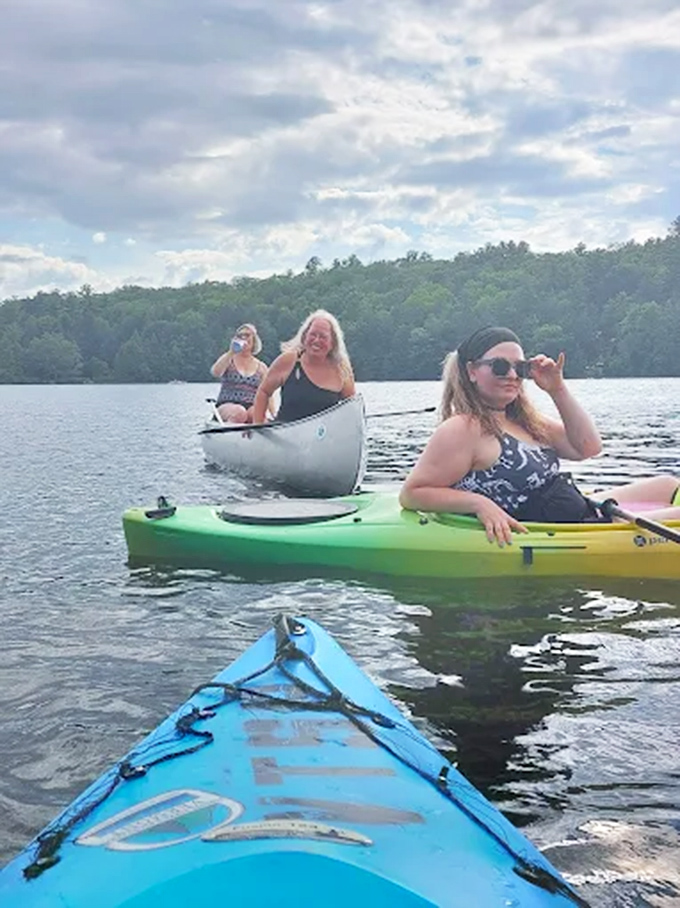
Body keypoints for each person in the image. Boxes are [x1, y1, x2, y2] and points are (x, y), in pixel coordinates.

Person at [400, 326, 680, 546]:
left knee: (667, 485)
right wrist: (479, 503)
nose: (513, 375)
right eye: (500, 366)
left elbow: (588, 448)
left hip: (575, 510)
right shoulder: (463, 428)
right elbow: (412, 493)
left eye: (520, 368)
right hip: (563, 528)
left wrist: (557, 389)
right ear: (472, 371)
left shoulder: (524, 422)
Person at [251, 309, 356, 424]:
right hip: (285, 430)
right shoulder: (289, 361)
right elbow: (264, 392)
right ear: (304, 337)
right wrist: (258, 426)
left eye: (323, 337)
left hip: (325, 433)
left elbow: (352, 408)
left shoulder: (341, 369)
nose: (316, 340)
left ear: (333, 343)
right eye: (313, 334)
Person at [210, 324, 273, 423]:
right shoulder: (229, 359)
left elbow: (267, 393)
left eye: (247, 335)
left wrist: (274, 414)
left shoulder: (262, 367)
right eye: (240, 336)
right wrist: (231, 352)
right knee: (239, 413)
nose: (243, 338)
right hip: (227, 405)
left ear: (254, 340)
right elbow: (216, 372)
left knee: (257, 415)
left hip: (251, 405)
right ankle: (230, 430)